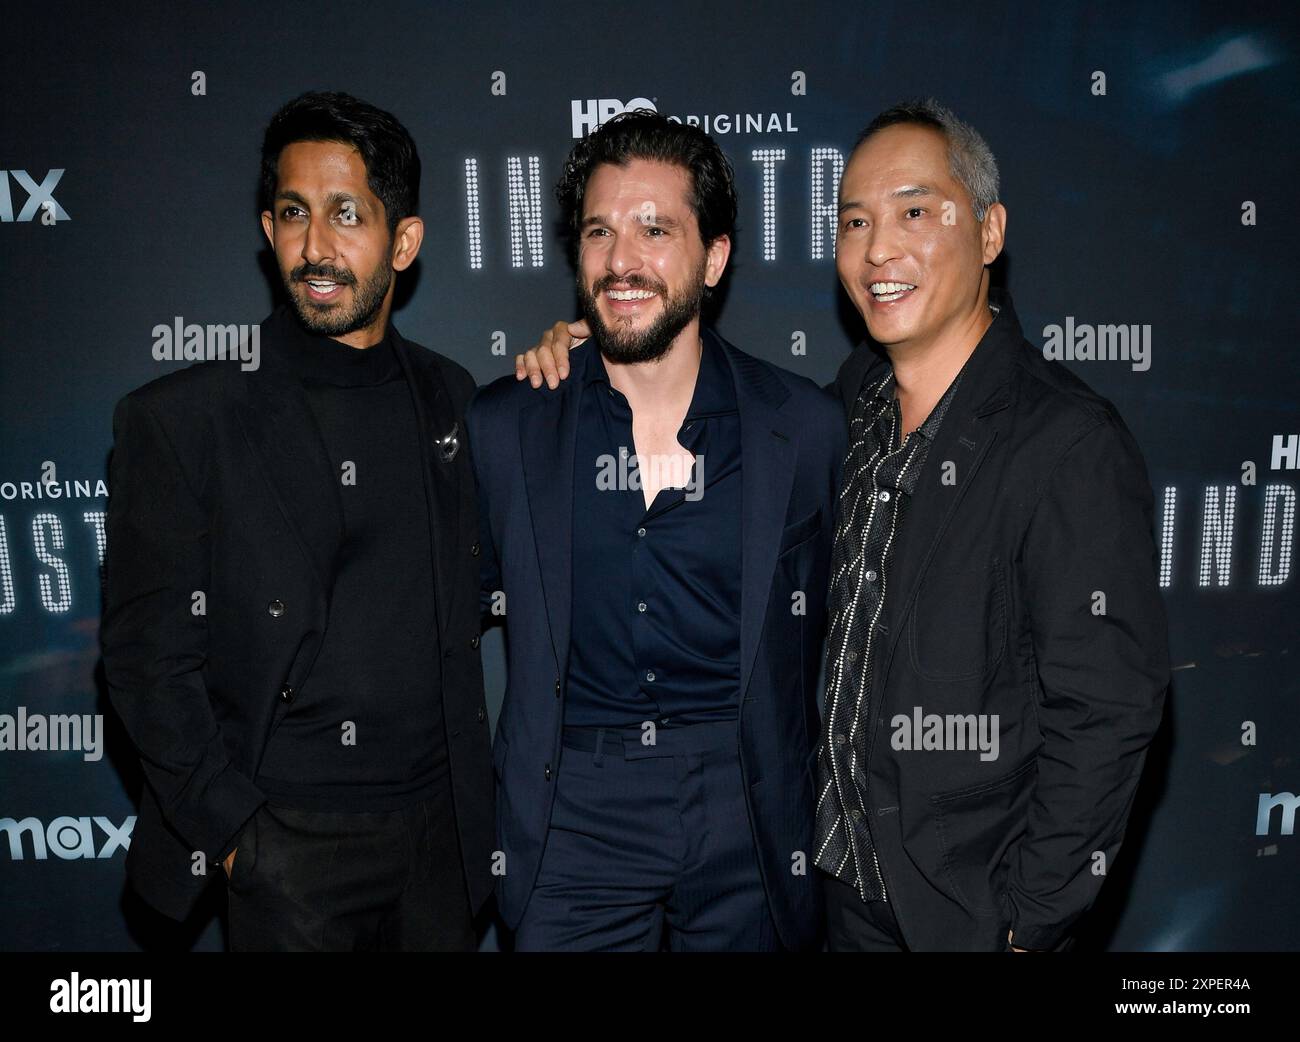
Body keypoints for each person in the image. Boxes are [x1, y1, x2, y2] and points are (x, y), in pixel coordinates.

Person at [515, 99, 1170, 952]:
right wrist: (597, 342)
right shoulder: (846, 407)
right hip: (836, 897)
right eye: (855, 219)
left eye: (913, 211)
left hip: (964, 916)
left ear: (989, 230)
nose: (878, 247)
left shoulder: (1066, 442)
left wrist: (1027, 922)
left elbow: (1111, 707)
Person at [100, 91, 494, 951]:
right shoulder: (185, 419)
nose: (314, 246)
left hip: (442, 841)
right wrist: (238, 836)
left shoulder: (455, 399)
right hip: (284, 847)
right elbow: (142, 658)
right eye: (292, 213)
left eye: (346, 215)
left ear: (405, 241)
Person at [469, 110, 843, 950]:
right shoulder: (510, 427)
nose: (621, 262)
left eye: (654, 230)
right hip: (573, 813)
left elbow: (831, 623)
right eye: (600, 231)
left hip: (745, 806)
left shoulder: (803, 427)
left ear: (713, 258)